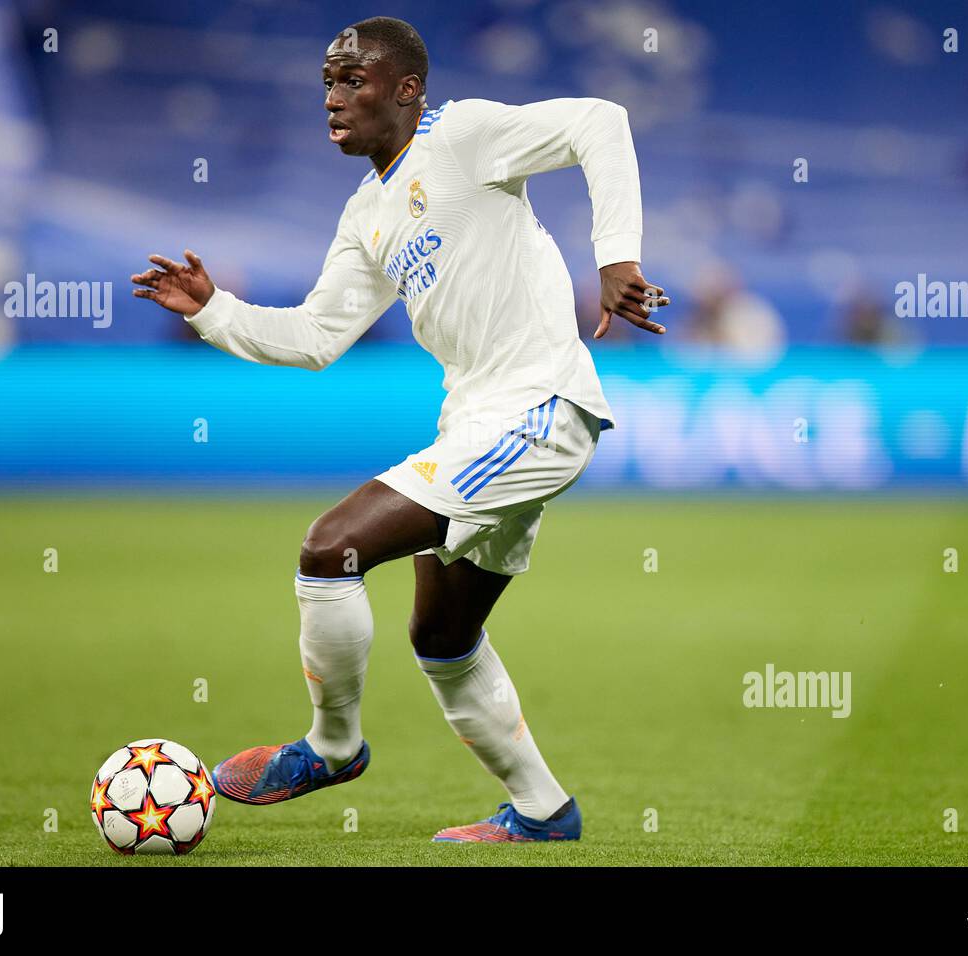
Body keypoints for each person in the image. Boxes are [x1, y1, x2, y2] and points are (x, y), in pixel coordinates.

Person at [131, 16, 668, 842]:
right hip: (478, 421)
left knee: (329, 548)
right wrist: (213, 311)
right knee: (443, 634)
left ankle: (333, 745)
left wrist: (617, 259)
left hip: (537, 410)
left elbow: (603, 121)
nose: (333, 99)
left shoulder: (463, 137)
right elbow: (316, 337)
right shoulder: (367, 213)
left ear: (408, 89)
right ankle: (543, 813)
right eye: (327, 83)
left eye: (353, 81)